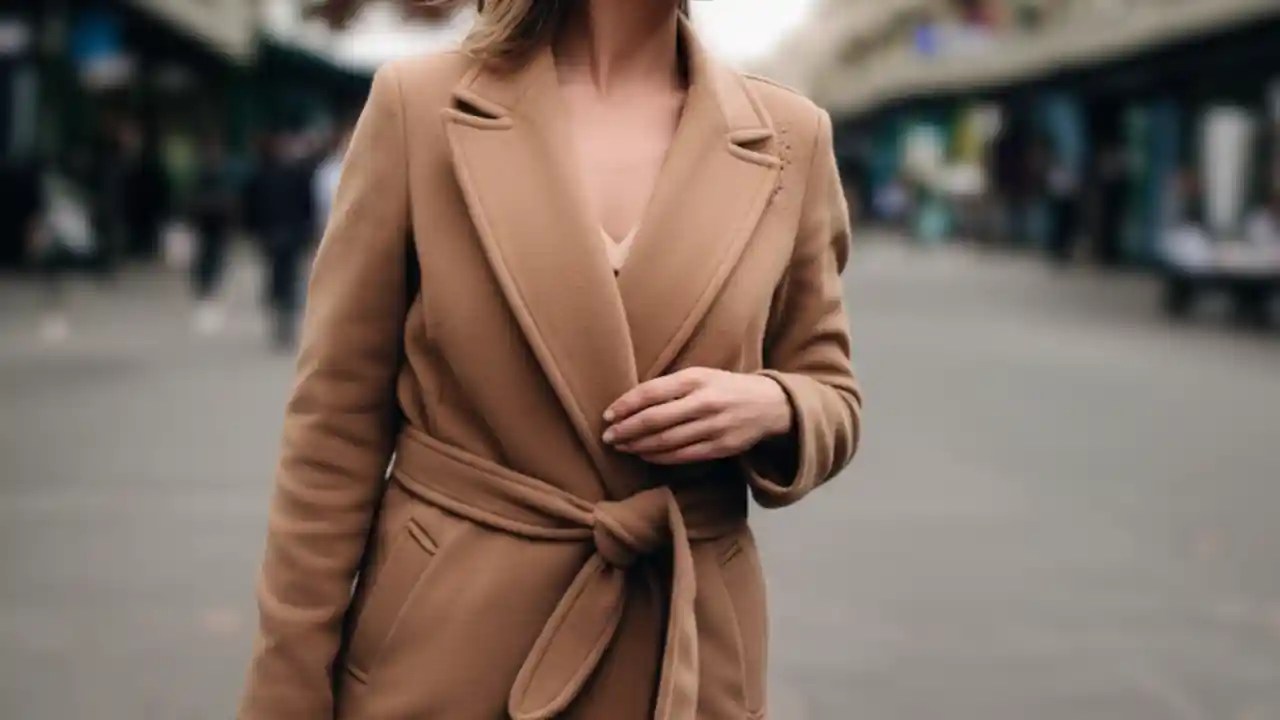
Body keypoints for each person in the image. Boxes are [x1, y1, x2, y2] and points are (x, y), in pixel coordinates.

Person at [239, 1, 862, 718]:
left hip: (685, 647)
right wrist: (287, 691)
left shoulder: (791, 137)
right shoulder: (420, 108)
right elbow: (333, 431)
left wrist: (775, 407)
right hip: (451, 643)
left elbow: (832, 390)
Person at [244, 130, 316, 350]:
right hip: (284, 232)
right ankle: (283, 313)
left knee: (281, 274)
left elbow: (251, 206)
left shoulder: (266, 174)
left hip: (279, 233)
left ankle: (283, 313)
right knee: (283, 274)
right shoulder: (289, 174)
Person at [189, 134, 238, 335]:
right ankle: (206, 284)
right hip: (210, 222)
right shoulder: (212, 173)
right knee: (209, 255)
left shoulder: (212, 173)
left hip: (213, 222)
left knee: (212, 255)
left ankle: (208, 284)